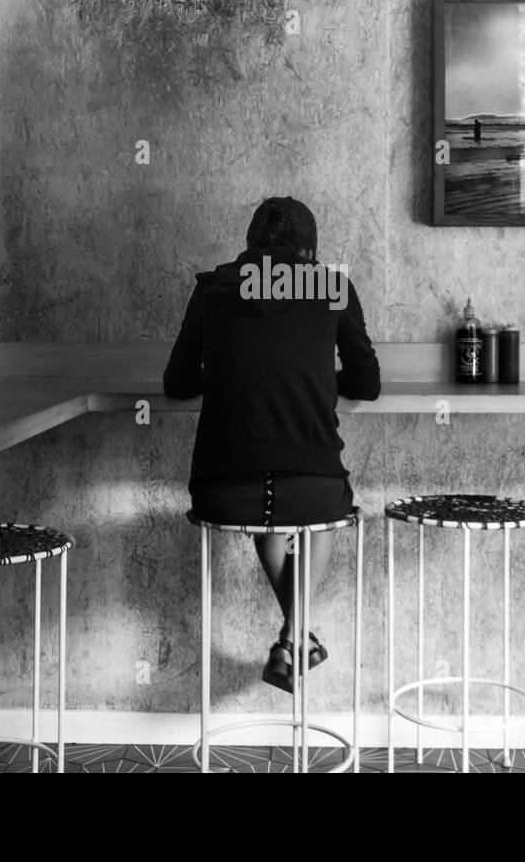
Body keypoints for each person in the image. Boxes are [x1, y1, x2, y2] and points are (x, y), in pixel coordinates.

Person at [163, 196, 381, 692]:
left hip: (225, 487)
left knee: (270, 497)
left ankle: (294, 636)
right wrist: (317, 378)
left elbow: (176, 383)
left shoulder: (213, 288)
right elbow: (367, 384)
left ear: (249, 246)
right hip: (314, 488)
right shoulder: (331, 287)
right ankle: (292, 637)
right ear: (310, 251)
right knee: (308, 496)